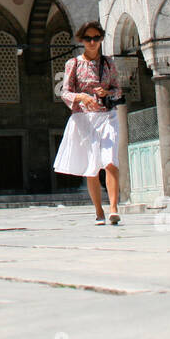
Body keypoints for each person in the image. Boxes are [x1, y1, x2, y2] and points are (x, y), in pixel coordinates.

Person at [53, 22, 122, 225]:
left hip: (107, 116)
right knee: (92, 167)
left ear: (101, 39)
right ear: (81, 41)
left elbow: (119, 90)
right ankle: (99, 211)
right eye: (88, 39)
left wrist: (107, 93)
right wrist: (82, 97)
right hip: (84, 119)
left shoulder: (109, 63)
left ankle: (114, 208)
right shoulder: (73, 64)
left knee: (110, 161)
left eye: (96, 38)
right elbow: (64, 92)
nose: (92, 42)